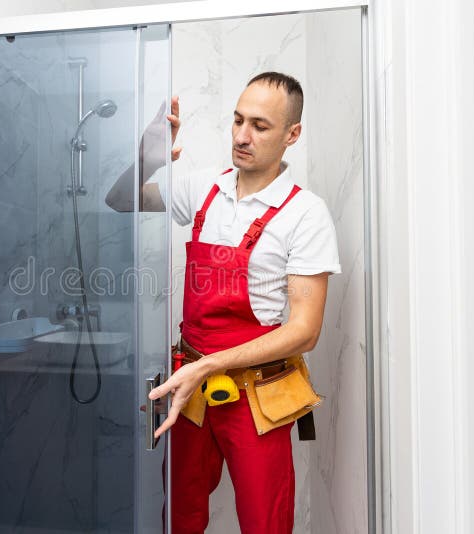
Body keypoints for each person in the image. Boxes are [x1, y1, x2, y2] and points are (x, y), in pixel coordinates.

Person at [106, 72, 341, 534]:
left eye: (259, 125)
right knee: (179, 515)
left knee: (264, 521)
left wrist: (207, 366)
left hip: (257, 395)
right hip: (190, 391)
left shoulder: (305, 214)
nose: (241, 136)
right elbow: (119, 199)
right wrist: (147, 158)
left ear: (292, 135)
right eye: (237, 121)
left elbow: (304, 331)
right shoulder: (201, 188)